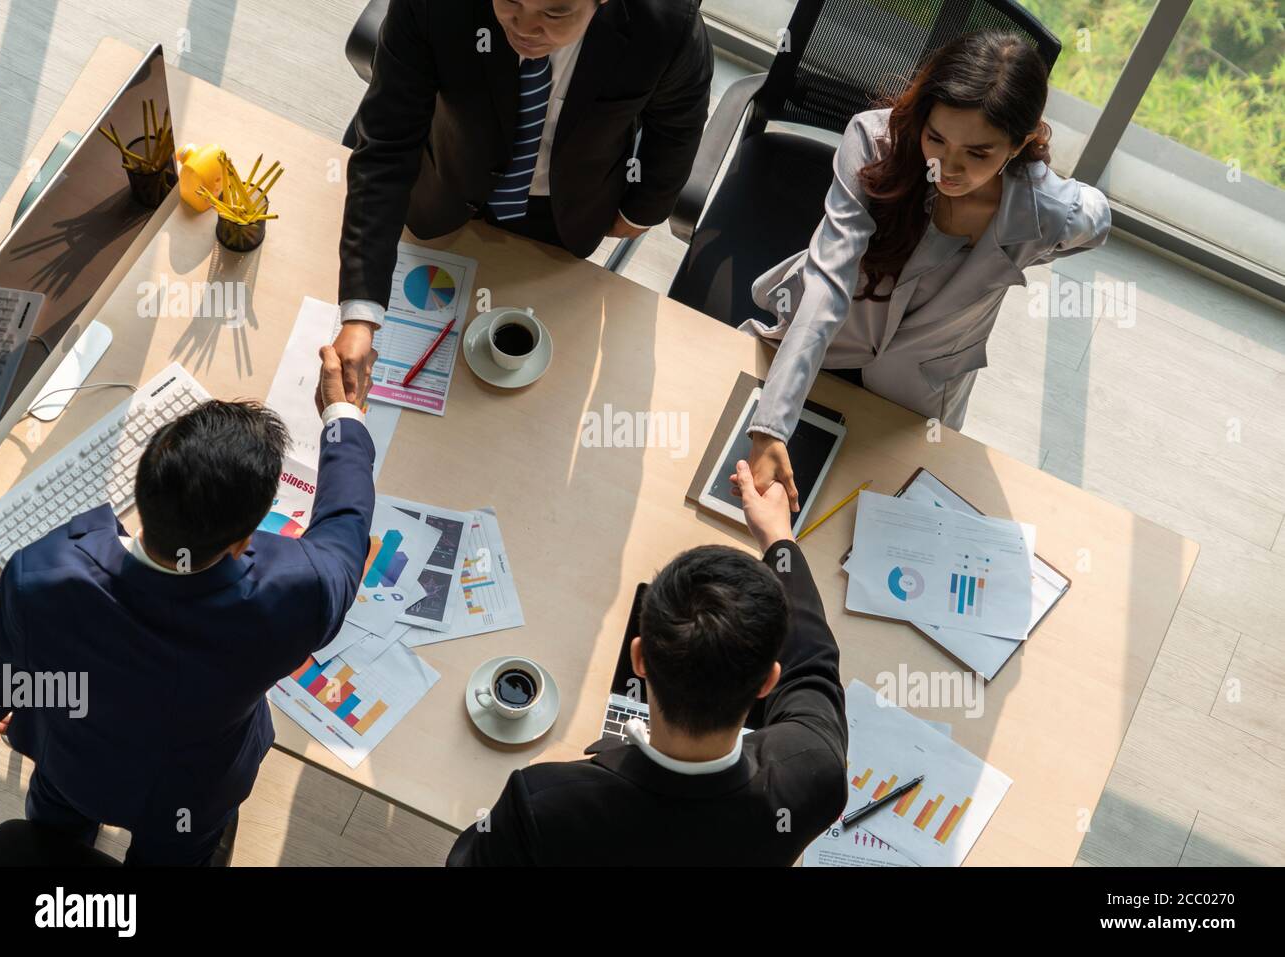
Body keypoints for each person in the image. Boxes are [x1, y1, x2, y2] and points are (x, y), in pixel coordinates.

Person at [0, 347, 377, 865]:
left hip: (73, 766)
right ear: (241, 542)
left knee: (56, 822)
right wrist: (341, 415)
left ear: (142, 490)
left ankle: (60, 844)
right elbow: (345, 531)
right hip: (189, 794)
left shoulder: (42, 573)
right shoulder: (293, 594)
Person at [742, 31, 1111, 510]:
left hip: (917, 393)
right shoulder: (874, 142)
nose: (947, 166)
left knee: (867, 513)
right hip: (824, 344)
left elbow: (1097, 220)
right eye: (936, 137)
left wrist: (1036, 242)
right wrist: (771, 426)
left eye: (978, 153)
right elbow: (829, 286)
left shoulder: (1044, 211)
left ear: (1018, 145)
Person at [446, 459, 848, 865]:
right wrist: (779, 539)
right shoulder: (813, 775)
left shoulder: (540, 803)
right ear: (767, 682)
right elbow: (814, 669)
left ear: (639, 658)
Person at [334, 0, 714, 400]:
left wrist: (639, 212)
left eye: (554, 14)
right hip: (446, 189)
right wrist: (361, 315)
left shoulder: (669, 22)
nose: (526, 28)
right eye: (511, 1)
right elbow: (388, 144)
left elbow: (678, 126)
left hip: (565, 214)